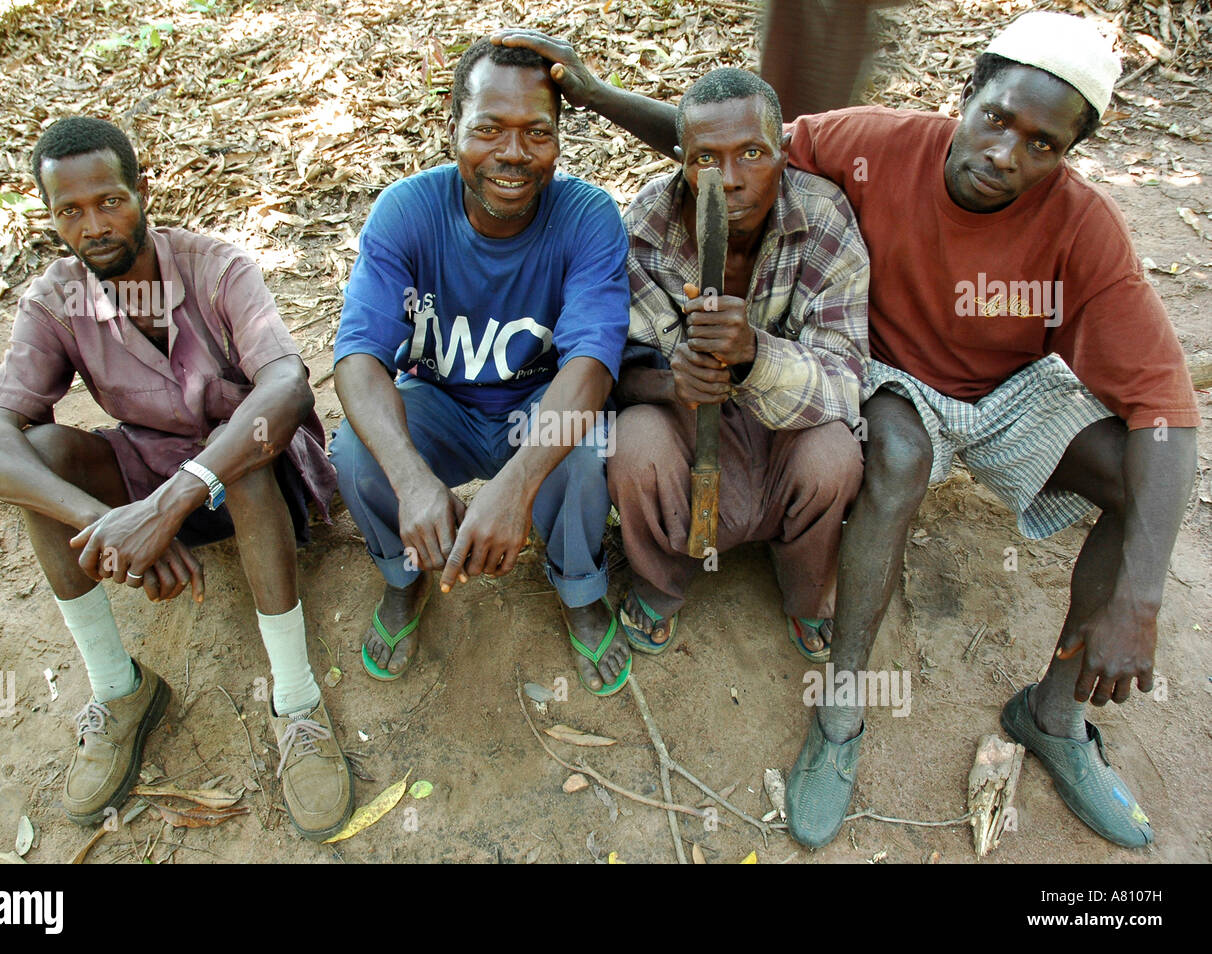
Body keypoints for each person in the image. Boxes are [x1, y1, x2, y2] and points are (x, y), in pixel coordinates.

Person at [499, 11, 1199, 850]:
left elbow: (1166, 410)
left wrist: (1140, 599)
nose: (1007, 153)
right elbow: (724, 144)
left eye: (1043, 144)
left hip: (1004, 388)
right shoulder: (871, 145)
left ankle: (1055, 714)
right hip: (897, 384)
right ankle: (840, 707)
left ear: (1070, 152)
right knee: (887, 448)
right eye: (998, 118)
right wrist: (596, 92)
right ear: (969, 93)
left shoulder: (1079, 229)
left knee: (1128, 473)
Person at [0, 117, 354, 842]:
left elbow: (288, 387)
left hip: (259, 482)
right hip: (145, 471)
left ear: (143, 191)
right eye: (69, 212)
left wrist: (173, 502)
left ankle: (297, 706)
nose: (94, 225)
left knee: (245, 448)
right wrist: (107, 520)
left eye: (109, 200)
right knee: (36, 452)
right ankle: (120, 690)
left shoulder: (215, 267)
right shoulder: (56, 298)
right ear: (51, 218)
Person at [330, 38, 634, 696]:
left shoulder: (588, 218)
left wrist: (515, 486)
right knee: (357, 449)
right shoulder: (406, 212)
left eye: (537, 133)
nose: (513, 154)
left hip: (538, 407)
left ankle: (580, 588)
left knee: (584, 444)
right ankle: (405, 576)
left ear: (558, 141)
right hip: (442, 406)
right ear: (452, 130)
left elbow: (591, 368)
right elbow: (357, 358)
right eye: (489, 129)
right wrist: (411, 479)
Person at [608, 67, 867, 665]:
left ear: (781, 154)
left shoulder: (823, 216)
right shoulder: (648, 224)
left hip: (787, 430)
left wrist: (754, 353)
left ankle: (806, 591)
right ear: (681, 161)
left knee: (835, 455)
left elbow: (847, 381)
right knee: (632, 442)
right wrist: (673, 381)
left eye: (751, 153)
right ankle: (661, 584)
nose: (727, 181)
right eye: (705, 158)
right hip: (690, 428)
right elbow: (616, 369)